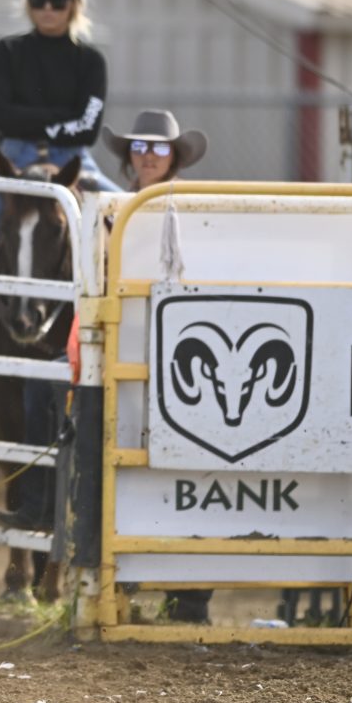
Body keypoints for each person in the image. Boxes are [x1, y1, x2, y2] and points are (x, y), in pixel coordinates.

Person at [0, 0, 119, 407]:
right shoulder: (8, 52)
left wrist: (34, 122)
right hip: (14, 167)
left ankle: (131, 363)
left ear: (73, 4)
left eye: (57, 1)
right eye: (38, 0)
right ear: (28, 3)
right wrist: (58, 120)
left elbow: (88, 129)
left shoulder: (90, 60)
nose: (47, 9)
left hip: (77, 167)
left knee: (137, 223)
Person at [101, 110, 212, 623]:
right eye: (140, 146)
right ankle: (127, 587)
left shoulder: (191, 206)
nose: (147, 155)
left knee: (188, 466)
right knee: (126, 462)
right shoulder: (111, 209)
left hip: (182, 351)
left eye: (157, 147)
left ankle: (189, 596)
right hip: (129, 345)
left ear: (173, 157)